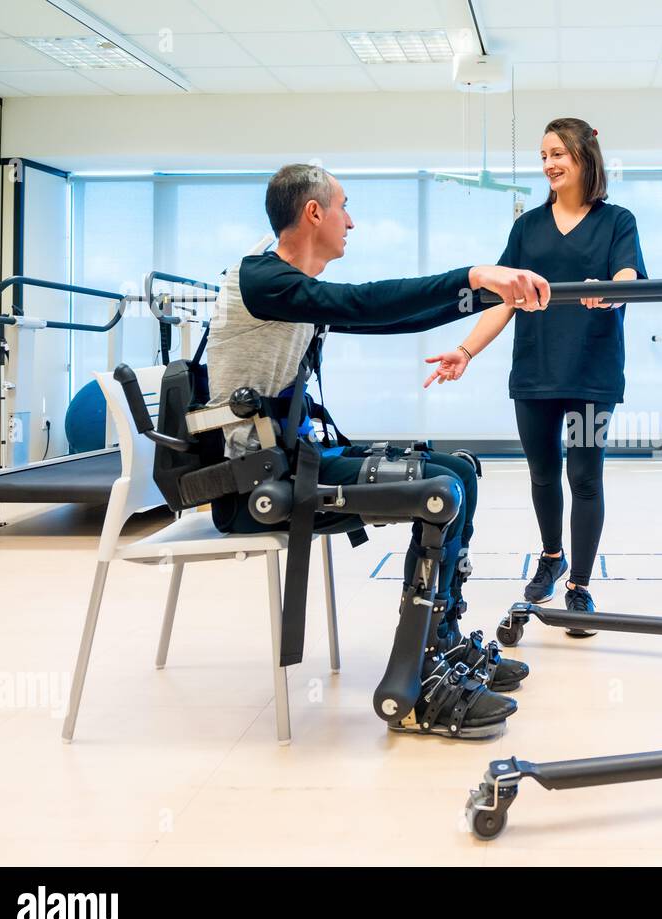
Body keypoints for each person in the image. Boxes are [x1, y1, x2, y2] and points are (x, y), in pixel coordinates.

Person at [206, 162, 550, 738]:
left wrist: (478, 293)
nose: (352, 221)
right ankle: (414, 694)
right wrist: (474, 274)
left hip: (288, 462)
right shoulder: (261, 280)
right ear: (314, 213)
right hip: (254, 484)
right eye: (344, 207)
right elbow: (367, 303)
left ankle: (438, 643)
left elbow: (387, 318)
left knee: (456, 469)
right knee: (440, 493)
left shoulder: (289, 289)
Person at [424, 118, 646, 636]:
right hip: (536, 372)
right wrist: (465, 350)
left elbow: (628, 277)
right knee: (543, 474)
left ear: (584, 158)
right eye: (543, 155)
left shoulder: (617, 221)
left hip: (591, 372)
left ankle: (581, 589)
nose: (548, 164)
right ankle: (552, 557)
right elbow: (505, 299)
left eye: (558, 154)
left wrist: (609, 290)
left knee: (585, 478)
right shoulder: (526, 227)